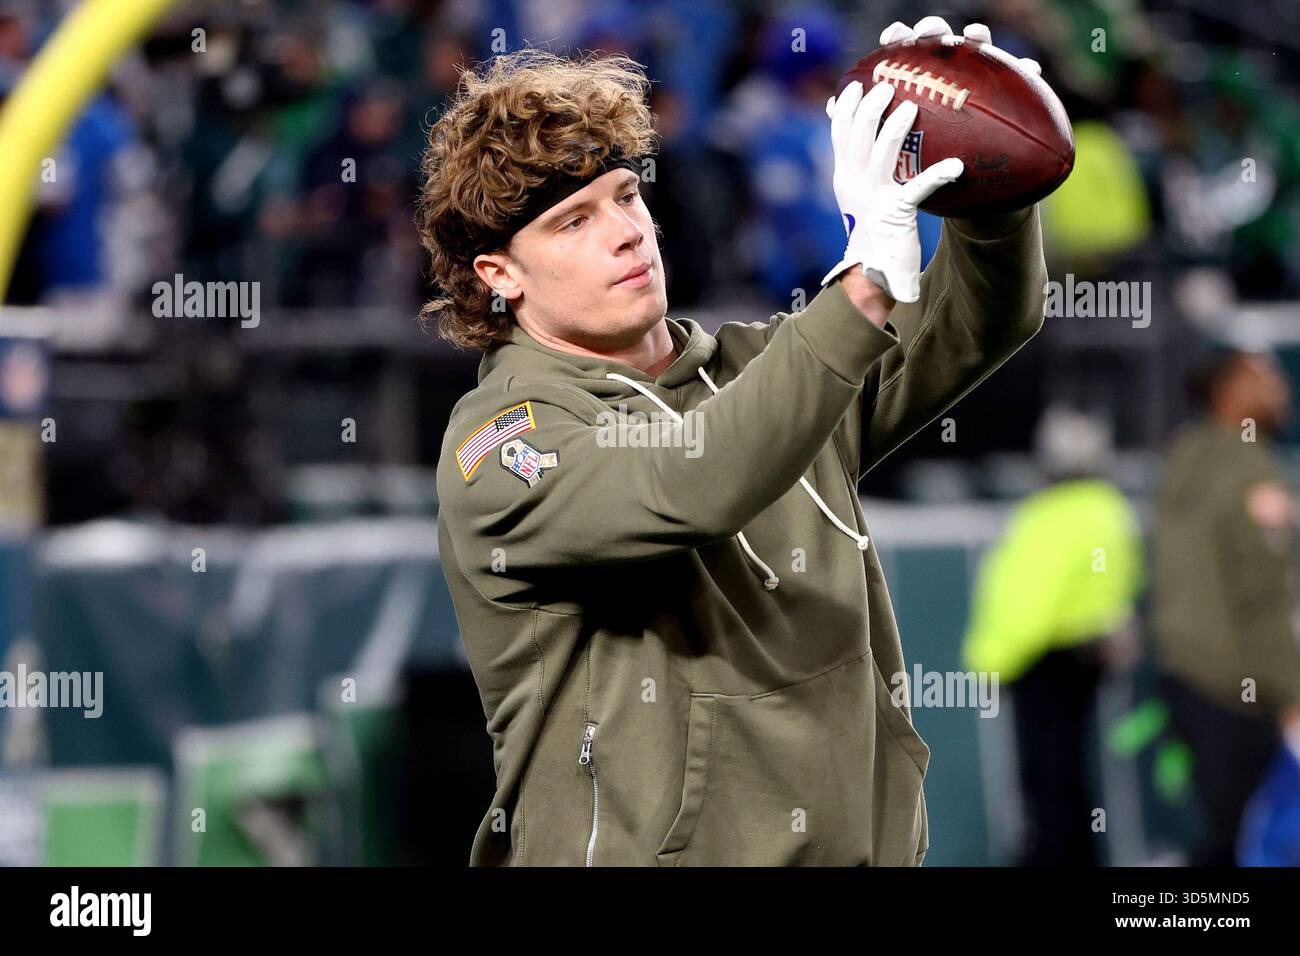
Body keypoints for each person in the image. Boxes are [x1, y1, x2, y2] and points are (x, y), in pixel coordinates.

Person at [420, 17, 1050, 866]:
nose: (625, 231)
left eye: (626, 196)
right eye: (572, 223)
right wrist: (861, 284)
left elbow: (980, 323)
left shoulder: (755, 368)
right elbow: (696, 481)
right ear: (500, 274)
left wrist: (991, 188)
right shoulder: (499, 445)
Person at [963, 406, 1144, 865]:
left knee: (1047, 776)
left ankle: (1054, 857)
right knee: (1069, 774)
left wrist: (994, 660)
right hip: (1079, 658)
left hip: (1044, 661)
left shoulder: (1049, 516)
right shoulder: (1108, 509)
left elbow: (1028, 601)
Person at [1152, 348, 1300, 866]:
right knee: (1249, 839)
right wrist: (1291, 691)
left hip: (1186, 674)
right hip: (1239, 685)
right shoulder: (1250, 472)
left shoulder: (1185, 456)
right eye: (1265, 377)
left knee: (1225, 831)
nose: (1281, 389)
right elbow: (1262, 597)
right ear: (1231, 389)